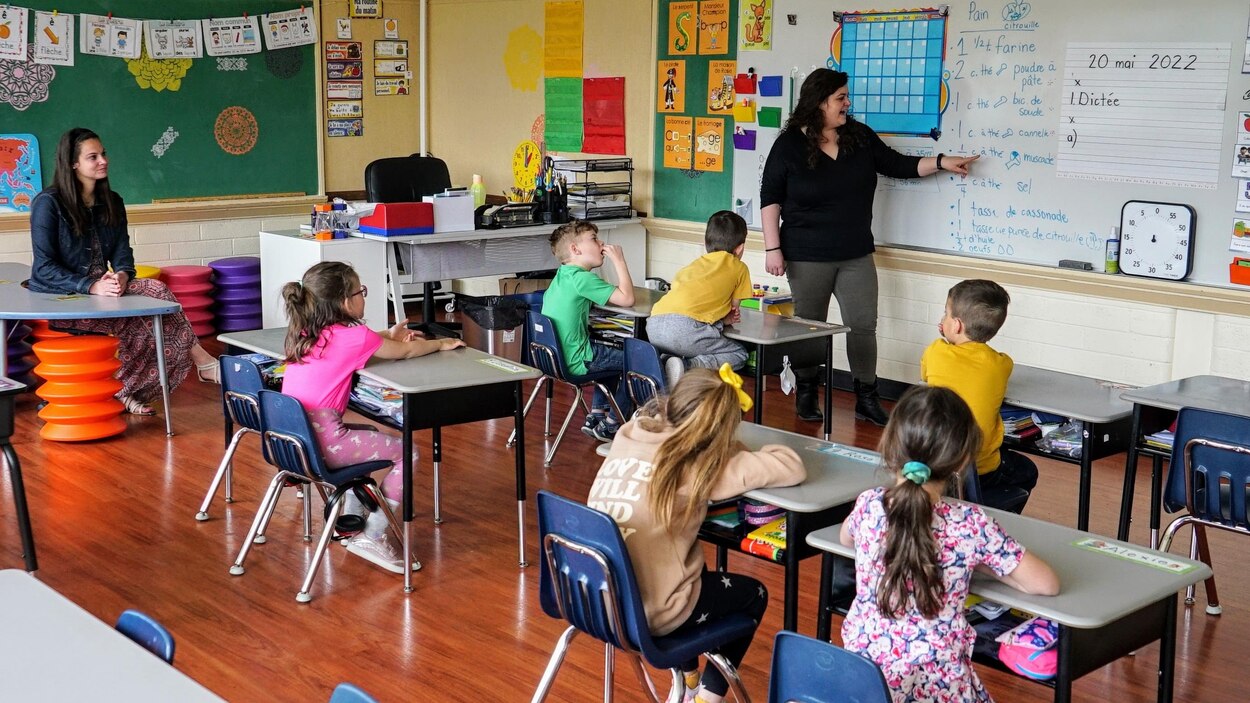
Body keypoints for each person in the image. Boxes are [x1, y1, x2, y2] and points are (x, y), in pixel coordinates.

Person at [760, 68, 979, 426]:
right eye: (840, 98)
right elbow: (770, 198)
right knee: (808, 327)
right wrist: (773, 249)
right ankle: (807, 391)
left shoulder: (858, 136)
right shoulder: (788, 145)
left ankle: (866, 397)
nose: (848, 103)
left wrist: (942, 162)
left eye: (846, 97)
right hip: (806, 253)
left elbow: (898, 164)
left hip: (855, 253)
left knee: (863, 325)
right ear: (819, 102)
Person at [588, 365, 805, 703]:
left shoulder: (630, 434)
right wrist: (727, 448)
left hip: (595, 598)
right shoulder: (701, 467)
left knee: (689, 563)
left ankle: (688, 679)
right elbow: (791, 465)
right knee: (754, 594)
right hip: (651, 613)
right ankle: (707, 697)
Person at [840, 385, 1059, 702]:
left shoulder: (870, 505)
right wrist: (979, 562)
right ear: (962, 460)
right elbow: (1046, 584)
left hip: (864, 685)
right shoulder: (970, 524)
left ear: (889, 445)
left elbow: (847, 538)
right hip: (941, 687)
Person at [280, 261, 464, 573]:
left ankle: (350, 516)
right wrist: (441, 343)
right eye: (360, 292)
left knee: (367, 432)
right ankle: (374, 534)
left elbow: (357, 343)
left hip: (293, 442)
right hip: (324, 445)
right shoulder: (355, 337)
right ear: (345, 302)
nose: (363, 297)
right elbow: (405, 352)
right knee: (408, 453)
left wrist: (387, 336)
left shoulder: (305, 332)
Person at [28, 127, 221, 416]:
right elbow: (43, 268)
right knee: (145, 318)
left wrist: (121, 275)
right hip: (65, 298)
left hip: (105, 293)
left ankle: (123, 390)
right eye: (93, 157)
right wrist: (91, 286)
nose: (103, 161)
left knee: (156, 295)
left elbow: (123, 256)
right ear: (73, 163)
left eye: (103, 154)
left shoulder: (112, 201)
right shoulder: (49, 203)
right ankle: (202, 363)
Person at [921, 279, 1038, 513]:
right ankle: (1000, 519)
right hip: (981, 469)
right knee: (1027, 471)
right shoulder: (1001, 364)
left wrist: (946, 338)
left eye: (945, 314)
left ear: (956, 325)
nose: (942, 319)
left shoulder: (935, 351)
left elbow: (924, 374)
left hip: (936, 463)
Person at [541, 219, 636, 442]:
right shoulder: (582, 279)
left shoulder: (563, 275)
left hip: (555, 359)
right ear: (575, 249)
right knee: (636, 364)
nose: (601, 243)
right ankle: (613, 424)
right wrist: (619, 261)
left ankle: (597, 415)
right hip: (578, 359)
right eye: (594, 239)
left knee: (611, 360)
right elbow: (627, 299)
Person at [648, 210, 753, 387]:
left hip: (654, 326)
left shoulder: (693, 265)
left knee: (683, 348)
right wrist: (726, 319)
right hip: (686, 330)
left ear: (706, 243)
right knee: (740, 354)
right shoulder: (739, 267)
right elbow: (733, 308)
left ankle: (667, 362)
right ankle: (687, 367)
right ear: (740, 248)